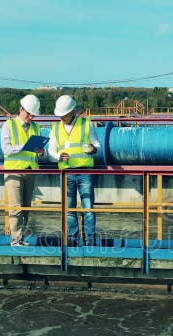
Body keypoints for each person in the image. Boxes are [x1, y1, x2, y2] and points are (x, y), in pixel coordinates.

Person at [47, 95, 101, 246]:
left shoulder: (86, 124)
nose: (62, 118)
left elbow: (98, 145)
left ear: (74, 112)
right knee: (69, 209)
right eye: (60, 115)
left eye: (64, 115)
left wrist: (93, 149)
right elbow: (50, 153)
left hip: (85, 172)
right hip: (66, 173)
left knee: (88, 208)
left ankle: (90, 241)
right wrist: (58, 157)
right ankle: (73, 240)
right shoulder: (55, 128)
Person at [0, 94, 45, 246]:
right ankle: (16, 239)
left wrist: (40, 151)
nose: (31, 117)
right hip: (13, 171)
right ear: (21, 110)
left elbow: (35, 149)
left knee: (25, 208)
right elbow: (6, 149)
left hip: (30, 171)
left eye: (33, 115)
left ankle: (21, 238)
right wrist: (25, 146)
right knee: (16, 207)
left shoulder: (36, 127)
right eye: (28, 113)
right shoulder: (9, 125)